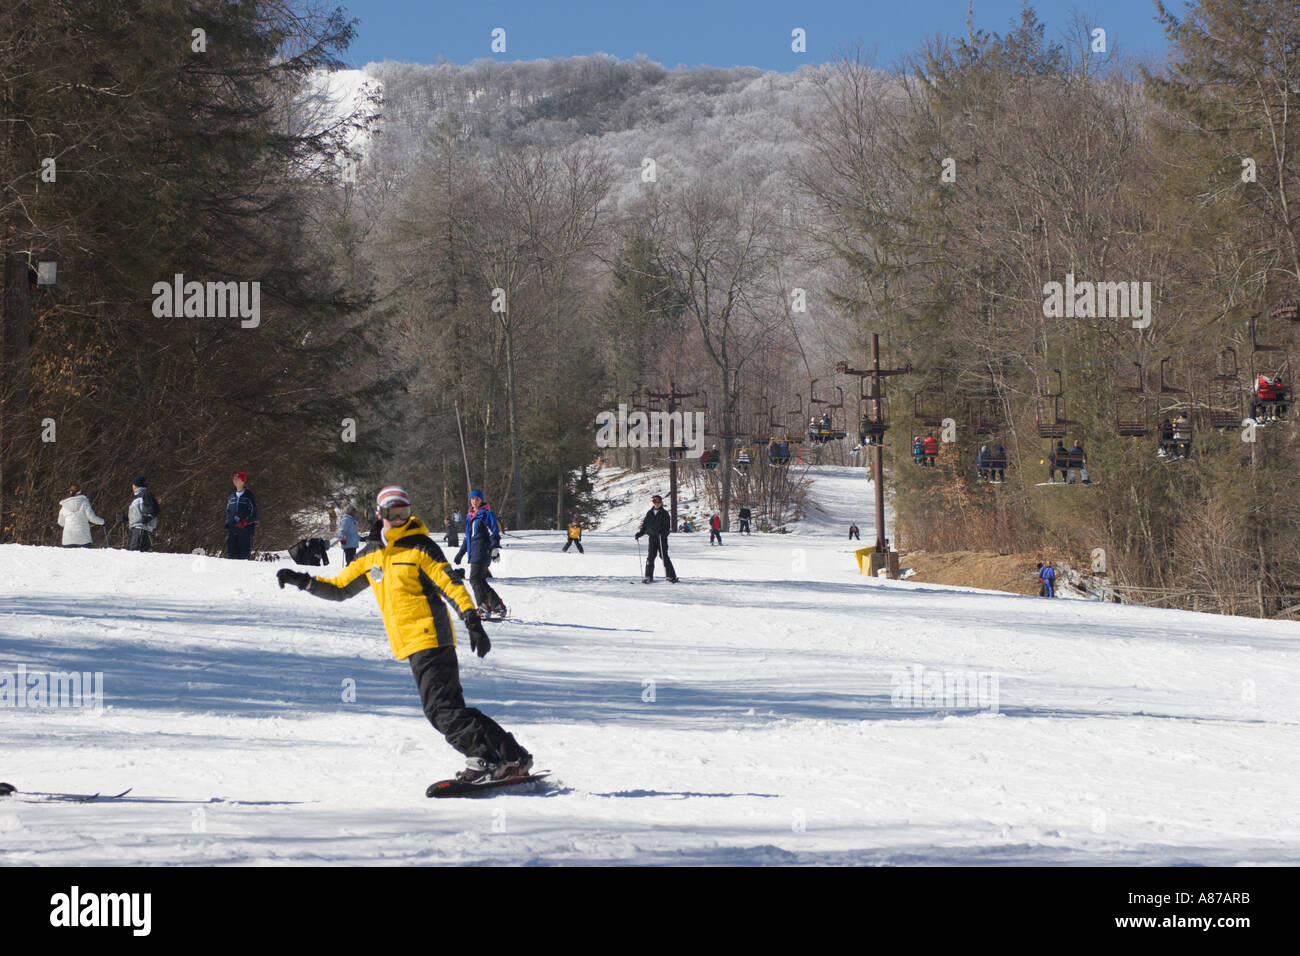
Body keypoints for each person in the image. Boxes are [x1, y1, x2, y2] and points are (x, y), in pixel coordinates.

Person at [275, 485, 532, 785]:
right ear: (379, 515)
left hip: (430, 638)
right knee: (449, 707)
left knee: (440, 710)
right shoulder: (372, 555)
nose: (398, 520)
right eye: (392, 514)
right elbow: (340, 588)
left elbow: (450, 585)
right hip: (412, 643)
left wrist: (472, 619)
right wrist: (303, 581)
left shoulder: (420, 547)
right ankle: (511, 754)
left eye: (404, 514)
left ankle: (484, 759)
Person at [454, 490, 506, 618]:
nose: (474, 501)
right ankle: (496, 605)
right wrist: (461, 553)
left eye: (477, 499)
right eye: (473, 499)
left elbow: (493, 531)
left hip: (482, 551)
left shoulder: (485, 514)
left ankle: (483, 606)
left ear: (481, 500)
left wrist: (494, 548)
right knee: (480, 580)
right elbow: (468, 538)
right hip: (474, 552)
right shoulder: (470, 516)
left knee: (474, 579)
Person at [635, 494, 677, 583]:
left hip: (661, 539)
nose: (657, 503)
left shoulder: (664, 514)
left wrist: (663, 533)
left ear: (661, 503)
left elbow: (667, 527)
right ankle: (648, 576)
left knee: (664, 556)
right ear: (653, 503)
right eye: (655, 502)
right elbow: (645, 525)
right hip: (652, 538)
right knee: (650, 556)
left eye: (658, 502)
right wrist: (640, 533)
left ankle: (671, 576)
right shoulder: (649, 513)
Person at [58, 483, 104, 548]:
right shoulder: (84, 502)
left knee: (70, 558)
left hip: (68, 538)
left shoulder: (64, 505)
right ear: (80, 492)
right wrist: (102, 522)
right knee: (85, 558)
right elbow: (92, 517)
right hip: (84, 539)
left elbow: (60, 522)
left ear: (70, 492)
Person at [225, 471, 258, 559]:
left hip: (245, 531)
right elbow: (228, 510)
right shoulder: (232, 496)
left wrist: (245, 522)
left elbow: (254, 514)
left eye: (238, 479)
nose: (235, 481)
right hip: (233, 531)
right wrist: (228, 522)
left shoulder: (249, 495)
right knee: (231, 555)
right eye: (234, 479)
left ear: (243, 481)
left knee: (243, 557)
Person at [125, 476, 160, 552]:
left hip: (142, 527)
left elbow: (154, 508)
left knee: (135, 550)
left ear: (135, 485)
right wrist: (126, 517)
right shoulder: (136, 497)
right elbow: (137, 513)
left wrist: (149, 517)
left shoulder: (145, 494)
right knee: (137, 550)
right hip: (137, 527)